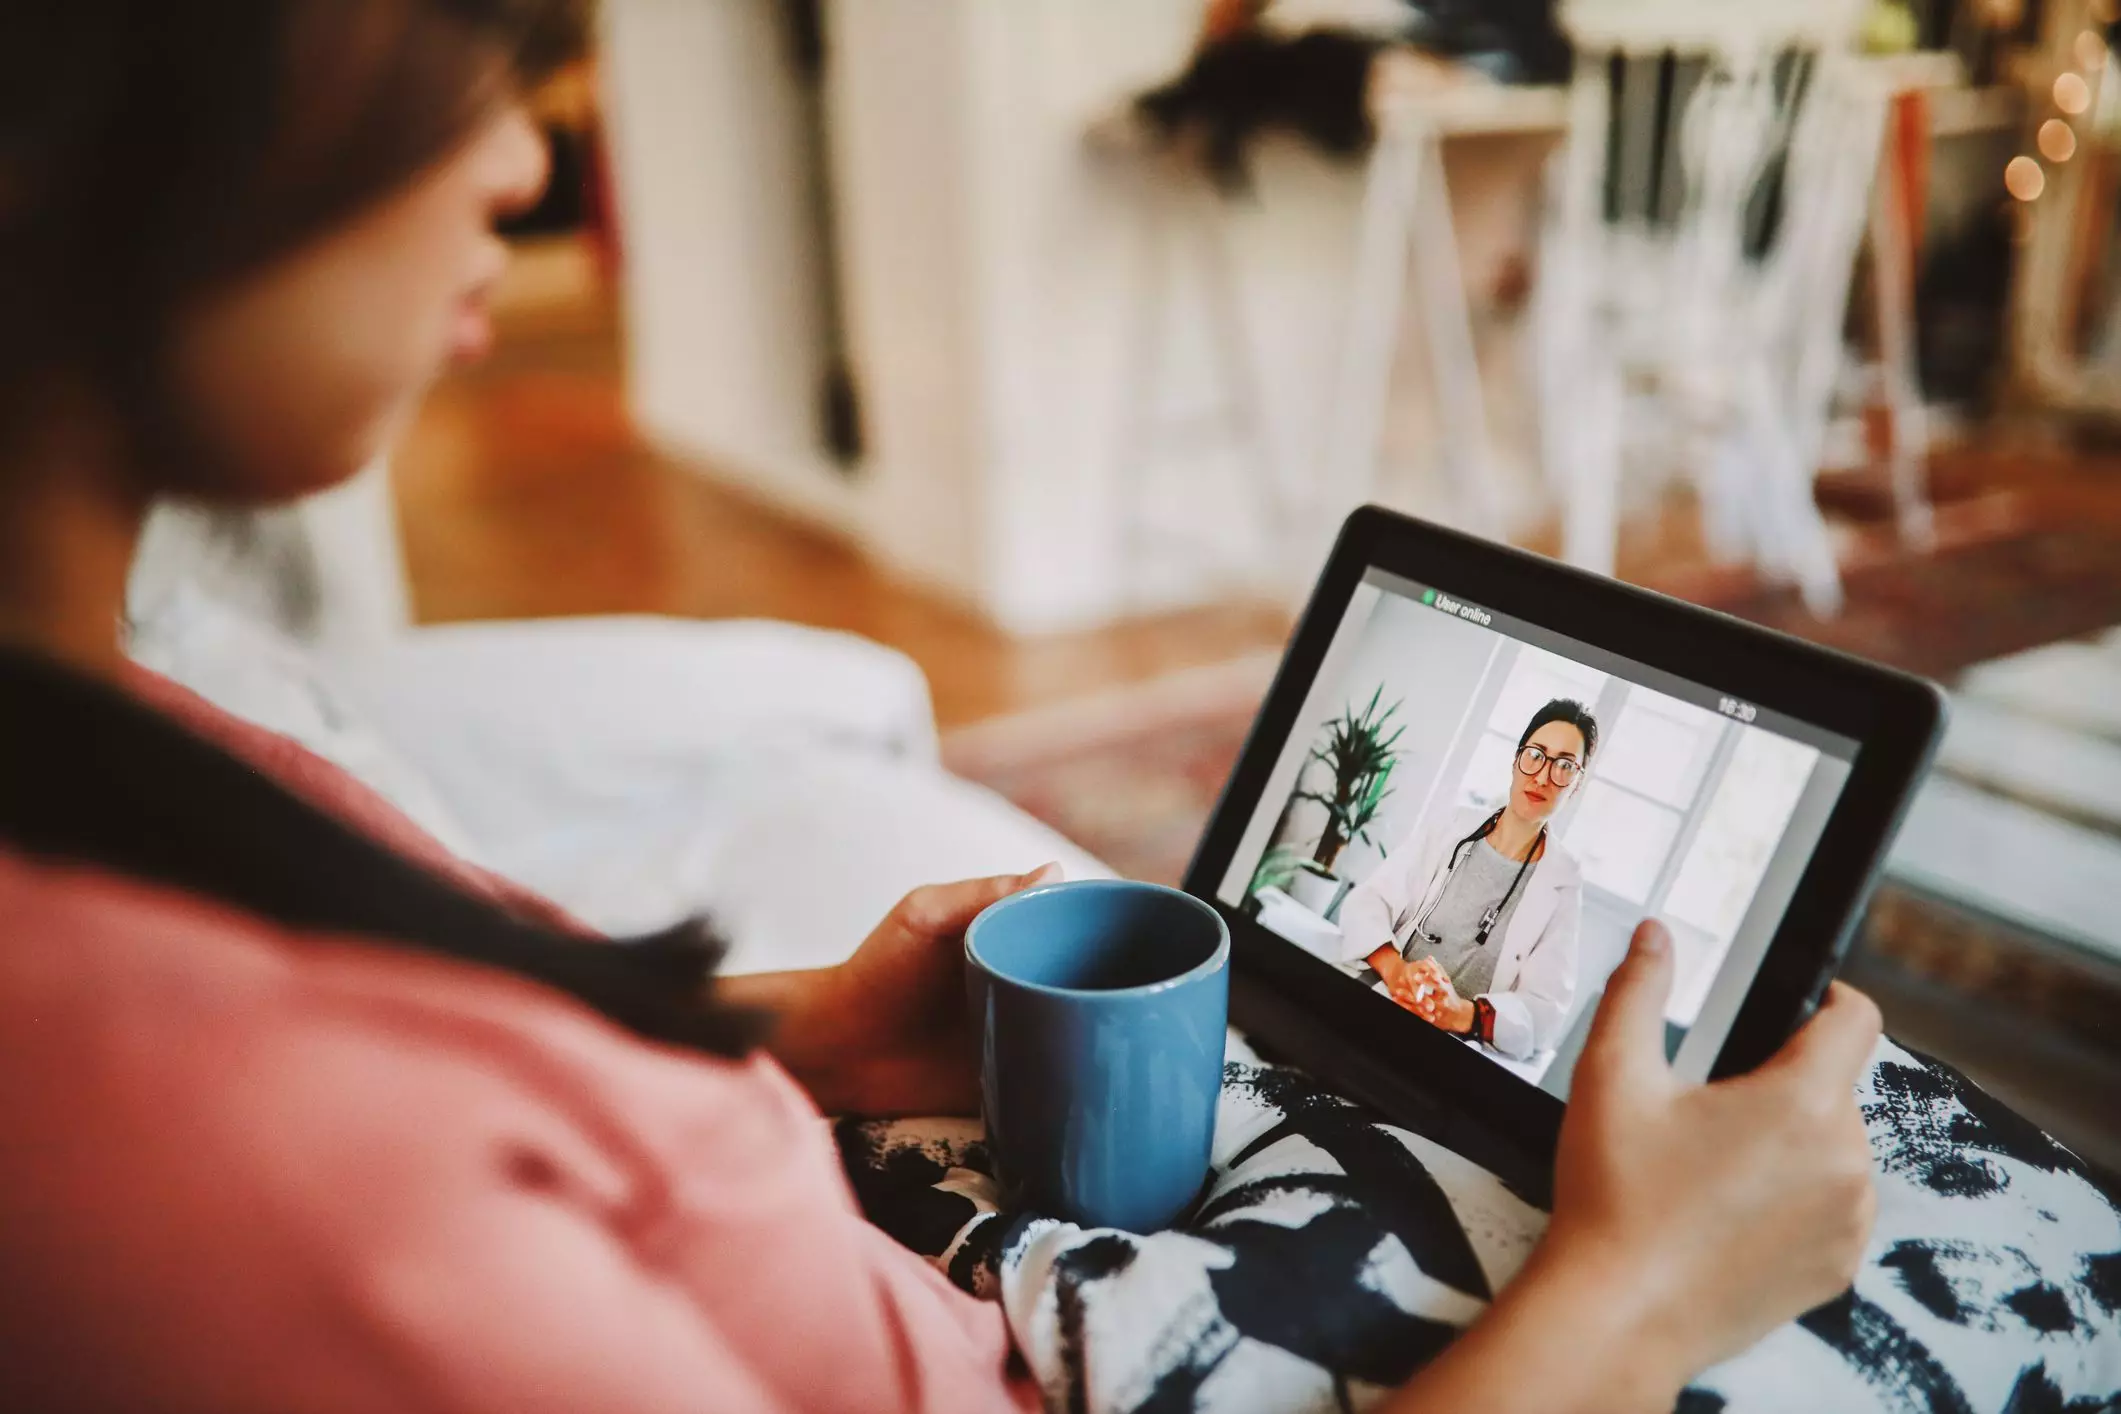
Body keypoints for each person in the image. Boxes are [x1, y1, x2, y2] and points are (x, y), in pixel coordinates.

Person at [0, 3, 1885, 1411]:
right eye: (446, 40)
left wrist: (783, 1037)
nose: (521, 156)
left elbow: (466, 1069)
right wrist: (1640, 1291)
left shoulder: (110, 736)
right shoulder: (220, 1167)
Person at [1339, 698, 1595, 1061]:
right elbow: (1366, 902)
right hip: (1384, 1008)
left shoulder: (1564, 881)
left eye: (1564, 766)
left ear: (1577, 784)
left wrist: (1460, 1013)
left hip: (1452, 1054)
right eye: (1536, 754)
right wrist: (1397, 972)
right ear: (1516, 759)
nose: (1542, 776)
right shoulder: (1452, 826)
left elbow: (1545, 1010)